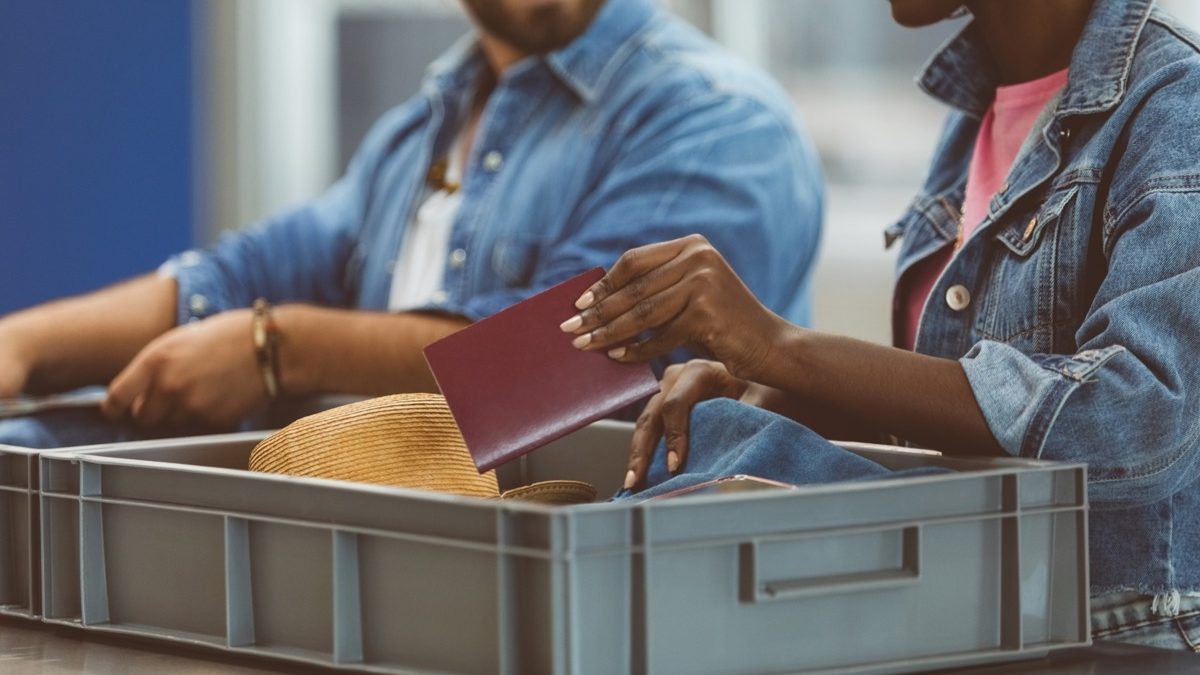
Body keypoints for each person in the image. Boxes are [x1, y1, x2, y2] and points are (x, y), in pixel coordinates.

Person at [563, 0, 1200, 650]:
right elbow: (960, 421)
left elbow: (1139, 418)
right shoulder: (981, 107)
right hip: (984, 608)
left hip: (1118, 634)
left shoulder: (1181, 100)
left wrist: (781, 347)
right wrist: (771, 390)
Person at [0, 0, 822, 447]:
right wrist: (22, 347)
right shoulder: (416, 132)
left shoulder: (714, 118)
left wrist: (274, 349)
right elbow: (238, 277)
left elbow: (564, 362)